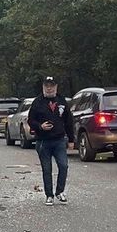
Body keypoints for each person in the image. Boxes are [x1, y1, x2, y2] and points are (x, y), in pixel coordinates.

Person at [27, 76, 74, 205]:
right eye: (47, 86)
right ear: (43, 87)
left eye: (51, 86)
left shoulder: (61, 100)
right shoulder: (37, 102)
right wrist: (40, 126)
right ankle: (49, 195)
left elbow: (69, 121)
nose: (49, 88)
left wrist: (71, 139)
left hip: (59, 140)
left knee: (63, 166)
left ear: (56, 87)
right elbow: (30, 120)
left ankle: (60, 191)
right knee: (47, 169)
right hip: (43, 141)